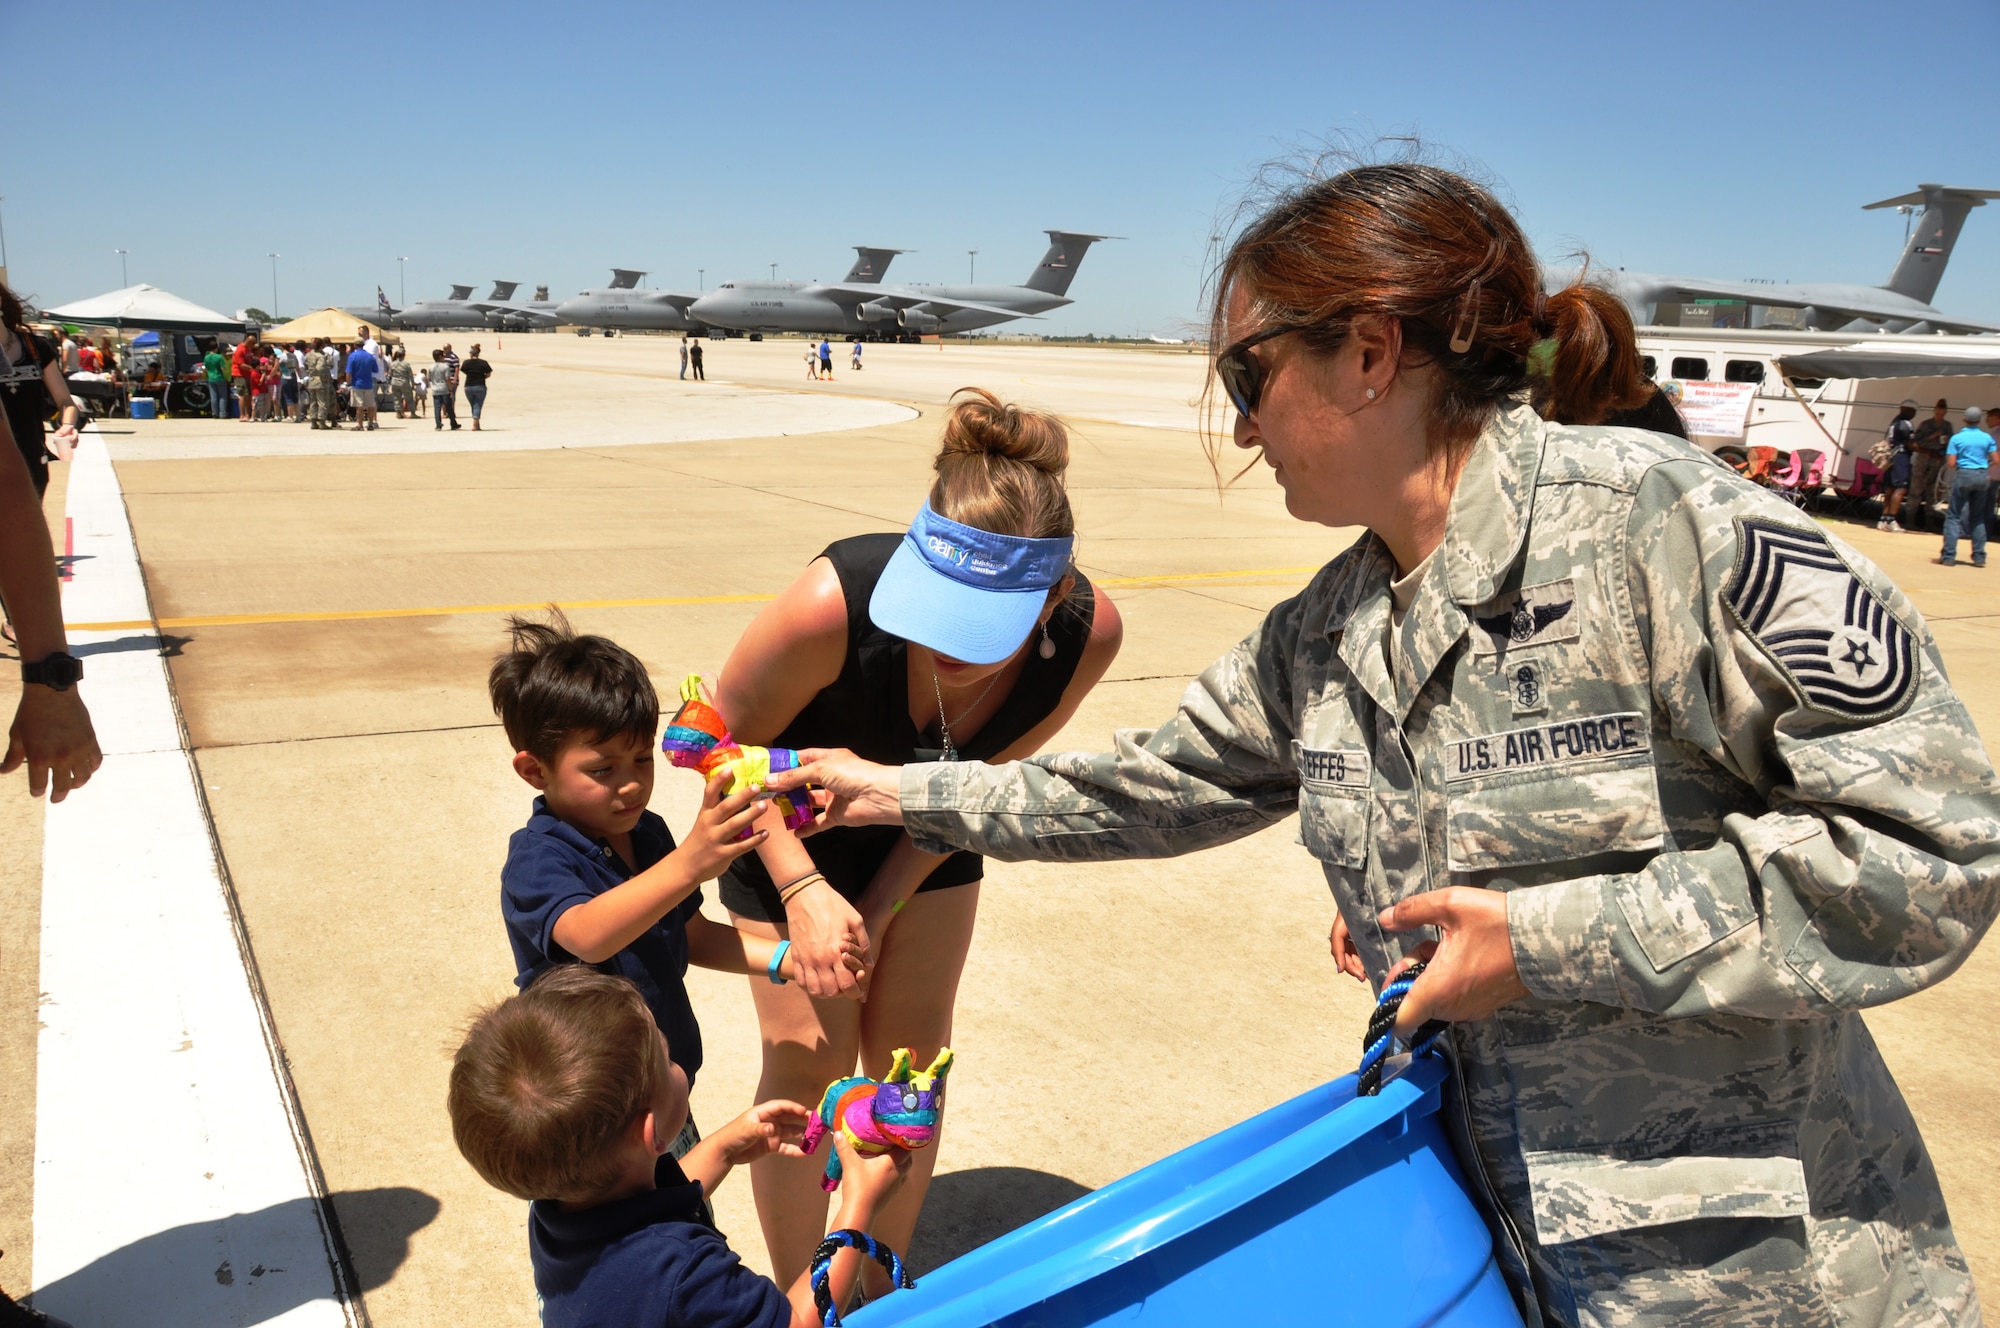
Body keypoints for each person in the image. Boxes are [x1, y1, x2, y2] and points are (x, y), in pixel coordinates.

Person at [768, 161, 2000, 1328]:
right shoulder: (1326, 630)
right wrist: (891, 791)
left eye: (1247, 376)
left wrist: (1541, 940)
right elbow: (1146, 784)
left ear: (1366, 354)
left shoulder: (1662, 529)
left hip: (1756, 1274)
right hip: (1497, 1252)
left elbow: (1932, 851)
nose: (1240, 429)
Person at [711, 387, 1123, 1286]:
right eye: (929, 607)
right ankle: (801, 1300)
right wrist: (803, 891)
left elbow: (968, 792)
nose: (943, 645)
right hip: (781, 830)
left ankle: (874, 1286)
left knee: (911, 1072)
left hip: (931, 831)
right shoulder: (831, 602)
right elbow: (715, 745)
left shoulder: (1089, 637)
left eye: (978, 628)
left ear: (1053, 597)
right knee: (811, 1069)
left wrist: (881, 906)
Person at [487, 615, 862, 1150]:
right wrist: (690, 862)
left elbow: (690, 935)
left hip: (660, 1086)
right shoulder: (538, 858)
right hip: (586, 1107)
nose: (632, 784)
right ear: (534, 771)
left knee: (683, 1196)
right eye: (603, 770)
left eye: (642, 759)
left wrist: (789, 959)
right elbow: (588, 936)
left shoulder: (646, 834)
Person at [448, 964, 911, 1328]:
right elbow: (799, 1323)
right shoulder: (685, 1272)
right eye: (666, 1058)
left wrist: (724, 1149)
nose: (676, 1065)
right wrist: (859, 1206)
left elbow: (654, 1206)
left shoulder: (558, 1212)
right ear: (651, 1133)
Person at [0, 280, 84, 648]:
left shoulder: (35, 347)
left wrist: (67, 425)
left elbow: (65, 401)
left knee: (21, 540)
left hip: (31, 459)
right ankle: (15, 621)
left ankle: (17, 620)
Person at [1937, 406, 1994, 567]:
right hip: (1982, 475)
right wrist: (1984, 466)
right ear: (1980, 420)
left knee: (1953, 516)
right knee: (1977, 517)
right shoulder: (1987, 438)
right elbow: (1996, 459)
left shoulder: (1956, 438)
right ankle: (1979, 557)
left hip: (1964, 475)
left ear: (1964, 419)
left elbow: (1951, 463)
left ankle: (1948, 556)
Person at [1908, 397, 1953, 530]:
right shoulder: (1926, 424)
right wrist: (1932, 436)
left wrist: (1947, 442)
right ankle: (1910, 519)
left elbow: (1951, 443)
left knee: (1932, 491)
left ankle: (1930, 521)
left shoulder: (1947, 426)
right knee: (1916, 488)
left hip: (1938, 459)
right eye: (1938, 410)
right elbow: (1916, 441)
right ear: (1935, 410)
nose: (1940, 413)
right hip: (1924, 458)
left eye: (1943, 411)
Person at [1877, 399, 1918, 530]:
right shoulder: (1906, 424)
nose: (1914, 414)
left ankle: (1883, 519)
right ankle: (1891, 520)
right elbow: (1910, 444)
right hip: (1901, 458)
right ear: (1909, 410)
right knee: (1901, 488)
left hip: (1892, 457)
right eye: (1914, 411)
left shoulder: (1893, 423)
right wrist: (1925, 450)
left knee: (1890, 489)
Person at [343, 338, 381, 431]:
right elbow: (375, 369)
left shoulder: (353, 356)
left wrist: (348, 382)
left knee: (359, 405)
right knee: (370, 405)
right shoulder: (370, 356)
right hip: (368, 384)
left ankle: (360, 425)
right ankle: (370, 423)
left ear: (355, 345)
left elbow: (349, 372)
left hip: (357, 384)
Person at [304, 339, 335, 430]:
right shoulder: (322, 356)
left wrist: (311, 372)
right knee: (322, 402)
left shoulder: (308, 355)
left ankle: (313, 422)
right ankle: (322, 422)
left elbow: (305, 365)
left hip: (311, 380)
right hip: (321, 381)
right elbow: (321, 368)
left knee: (313, 402)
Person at [460, 343, 492, 430]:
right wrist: (482, 377)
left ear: (471, 353)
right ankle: (475, 425)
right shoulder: (483, 363)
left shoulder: (466, 363)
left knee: (474, 405)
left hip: (468, 386)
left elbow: (464, 371)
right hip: (480, 386)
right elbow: (488, 374)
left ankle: (477, 425)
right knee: (477, 405)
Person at [203, 340, 231, 419]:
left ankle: (214, 413)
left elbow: (205, 368)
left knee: (213, 396)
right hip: (220, 377)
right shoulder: (219, 357)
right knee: (222, 396)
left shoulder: (206, 357)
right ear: (216, 348)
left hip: (211, 378)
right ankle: (222, 413)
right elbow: (222, 368)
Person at [387, 346, 416, 419]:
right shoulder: (406, 364)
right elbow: (410, 375)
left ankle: (398, 413)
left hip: (394, 382)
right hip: (404, 382)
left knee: (396, 398)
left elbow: (390, 374)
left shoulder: (393, 364)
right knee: (409, 398)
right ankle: (412, 413)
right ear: (404, 355)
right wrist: (413, 384)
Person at [440, 341, 462, 429]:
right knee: (443, 397)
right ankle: (444, 413)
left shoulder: (454, 357)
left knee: (451, 397)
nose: (444, 350)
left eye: (446, 348)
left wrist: (455, 379)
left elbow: (457, 368)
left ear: (450, 348)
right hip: (444, 380)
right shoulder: (443, 357)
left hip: (452, 379)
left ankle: (452, 413)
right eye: (443, 348)